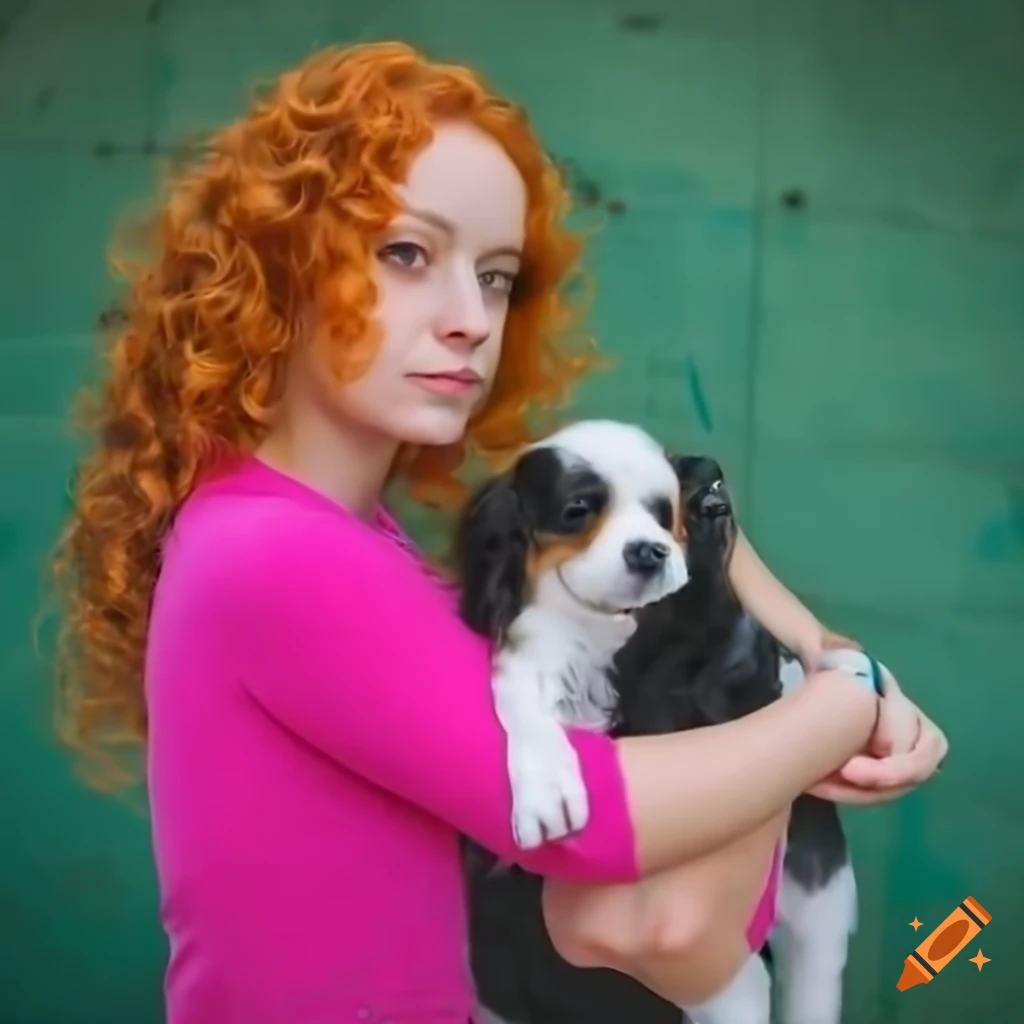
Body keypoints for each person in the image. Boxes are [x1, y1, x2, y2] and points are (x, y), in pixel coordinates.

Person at [50, 41, 947, 1024]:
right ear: (279, 268)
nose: (471, 318)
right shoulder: (275, 554)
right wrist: (838, 701)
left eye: (498, 276)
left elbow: (678, 543)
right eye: (406, 253)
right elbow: (585, 823)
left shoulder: (345, 538)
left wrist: (821, 661)